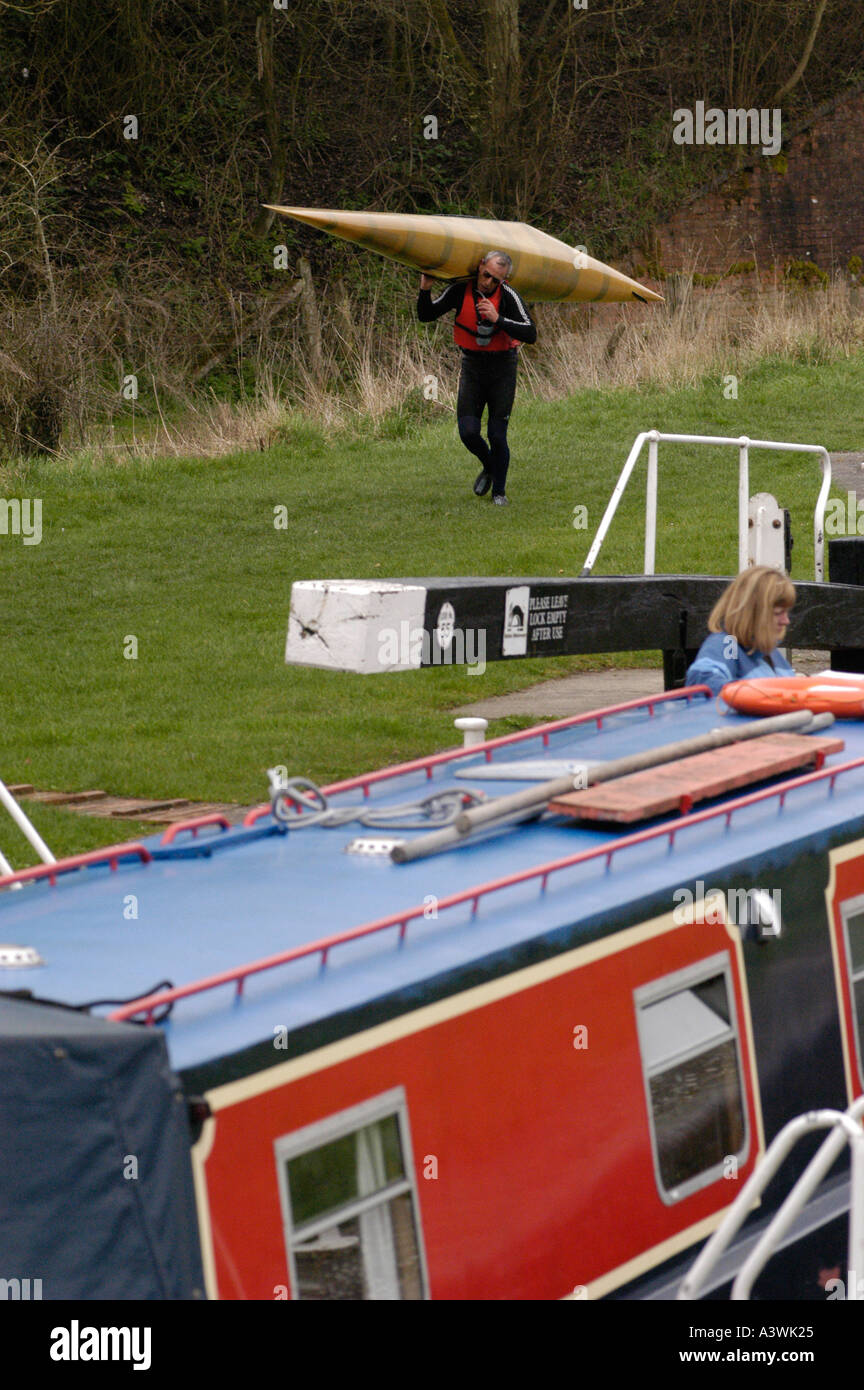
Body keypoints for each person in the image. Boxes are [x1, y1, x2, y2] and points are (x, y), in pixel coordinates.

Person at [417, 251, 536, 506]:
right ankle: (490, 466)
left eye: (496, 280)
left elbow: (531, 333)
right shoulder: (460, 291)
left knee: (496, 435)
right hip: (472, 367)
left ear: (503, 280)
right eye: (486, 275)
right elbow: (426, 315)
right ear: (480, 266)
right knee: (468, 432)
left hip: (502, 368)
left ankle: (499, 493)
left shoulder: (508, 296)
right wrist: (425, 289)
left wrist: (498, 318)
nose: (488, 282)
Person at [685, 565, 796, 695]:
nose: (786, 621)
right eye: (778, 613)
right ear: (751, 613)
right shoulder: (729, 645)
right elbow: (703, 685)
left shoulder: (768, 652)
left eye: (786, 613)